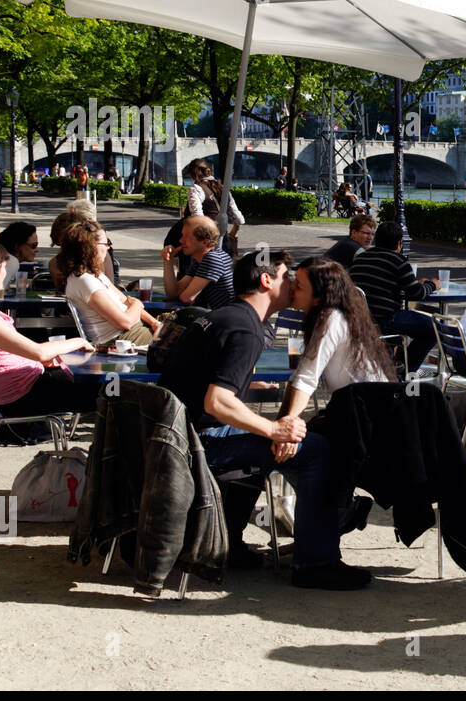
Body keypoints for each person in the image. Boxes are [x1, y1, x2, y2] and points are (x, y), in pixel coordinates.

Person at [157, 250, 370, 590]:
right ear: (266, 280)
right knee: (317, 452)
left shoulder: (224, 316)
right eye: (289, 278)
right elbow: (217, 401)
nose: (294, 286)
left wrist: (271, 432)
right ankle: (316, 562)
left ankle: (228, 544)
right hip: (195, 446)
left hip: (171, 439)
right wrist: (274, 428)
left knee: (264, 447)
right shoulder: (247, 329)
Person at [0, 239, 98, 417]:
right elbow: (39, 352)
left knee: (109, 388)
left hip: (22, 388)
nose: (5, 273)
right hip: (24, 395)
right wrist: (79, 341)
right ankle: (109, 444)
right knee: (113, 390)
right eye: (3, 268)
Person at [280, 258, 395, 420]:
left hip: (370, 420)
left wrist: (285, 432)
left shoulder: (330, 318)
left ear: (318, 298)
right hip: (360, 412)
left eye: (298, 285)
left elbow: (306, 380)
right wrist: (281, 423)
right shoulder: (330, 315)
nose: (291, 287)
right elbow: (298, 378)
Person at [349, 220, 437, 372]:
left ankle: (398, 364)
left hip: (361, 319)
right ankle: (406, 370)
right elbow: (417, 293)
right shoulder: (398, 260)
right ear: (399, 243)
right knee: (433, 327)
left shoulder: (361, 258)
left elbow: (380, 284)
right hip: (384, 319)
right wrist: (433, 285)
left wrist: (413, 283)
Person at [59, 220, 160, 346]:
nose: (108, 247)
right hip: (122, 341)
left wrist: (155, 323)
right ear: (90, 246)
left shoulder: (95, 275)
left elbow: (125, 300)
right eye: (106, 243)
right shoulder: (85, 281)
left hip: (132, 334)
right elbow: (125, 322)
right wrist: (138, 304)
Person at [162, 215, 234, 309]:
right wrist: (168, 260)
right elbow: (173, 293)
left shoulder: (214, 259)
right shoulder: (200, 259)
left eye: (186, 237)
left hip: (230, 319)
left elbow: (187, 298)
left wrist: (183, 293)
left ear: (204, 241)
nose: (180, 240)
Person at [0, 221, 39, 290]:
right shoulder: (11, 261)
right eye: (33, 245)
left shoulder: (3, 257)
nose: (37, 249)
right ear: (17, 246)